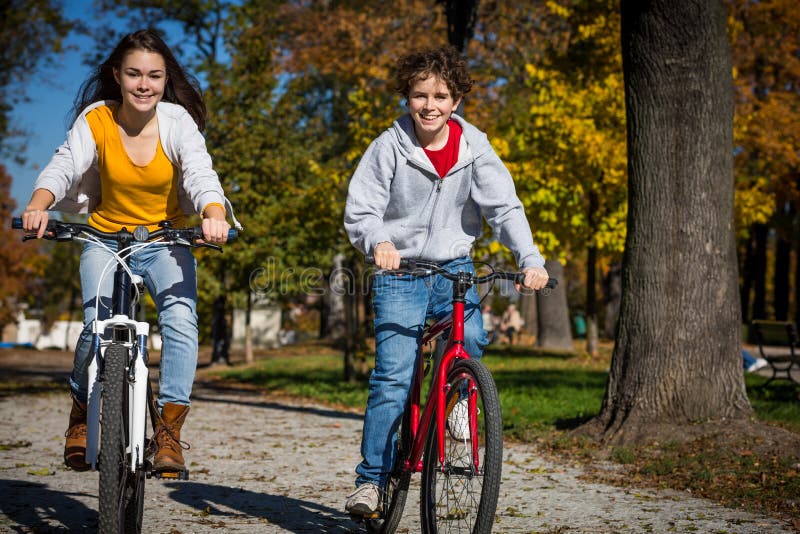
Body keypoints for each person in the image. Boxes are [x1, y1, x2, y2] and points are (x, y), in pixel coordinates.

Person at [20, 29, 241, 474]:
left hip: (165, 240)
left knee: (180, 319)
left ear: (165, 80)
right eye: (135, 74)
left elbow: (200, 174)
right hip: (105, 238)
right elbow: (65, 165)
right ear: (117, 76)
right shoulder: (97, 119)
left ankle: (169, 432)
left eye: (154, 76)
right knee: (93, 327)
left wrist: (213, 215)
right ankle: (82, 415)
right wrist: (37, 206)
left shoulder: (178, 122)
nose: (145, 85)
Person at [343, 45, 549, 516]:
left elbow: (505, 209)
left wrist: (530, 259)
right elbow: (362, 210)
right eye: (420, 95)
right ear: (407, 98)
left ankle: (459, 400)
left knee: (472, 336)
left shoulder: (475, 148)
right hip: (401, 273)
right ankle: (370, 482)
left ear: (456, 100)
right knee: (393, 377)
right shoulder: (389, 146)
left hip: (454, 269)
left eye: (440, 95)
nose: (429, 105)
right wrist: (379, 241)